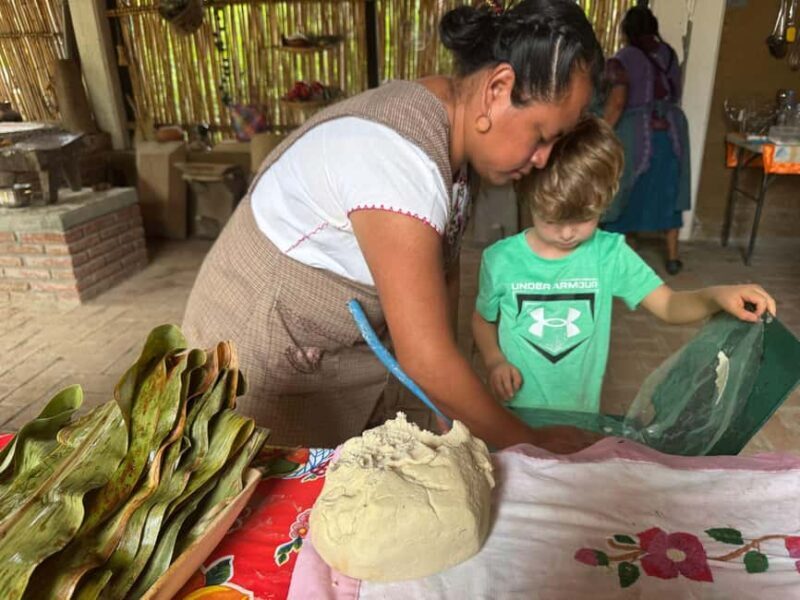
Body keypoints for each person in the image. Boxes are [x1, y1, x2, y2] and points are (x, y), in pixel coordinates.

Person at [182, 0, 607, 451]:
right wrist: (527, 443)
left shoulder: (450, 134)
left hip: (317, 346)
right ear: (498, 88)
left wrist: (447, 409)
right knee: (270, 490)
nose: (542, 158)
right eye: (541, 136)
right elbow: (425, 356)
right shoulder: (398, 156)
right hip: (257, 350)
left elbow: (442, 284)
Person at [471, 117, 776, 414]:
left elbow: (668, 305)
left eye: (583, 219)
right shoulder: (500, 260)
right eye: (552, 220)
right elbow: (483, 320)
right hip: (515, 414)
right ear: (526, 195)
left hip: (581, 414)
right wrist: (495, 360)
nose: (567, 233)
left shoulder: (609, 254)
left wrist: (715, 296)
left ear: (604, 201)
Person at [602, 6, 690, 275]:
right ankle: (673, 257)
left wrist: (600, 132)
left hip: (637, 135)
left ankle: (622, 252)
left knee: (625, 190)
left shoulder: (622, 59)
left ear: (626, 31)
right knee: (668, 192)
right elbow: (674, 91)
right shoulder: (669, 54)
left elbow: (617, 103)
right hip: (672, 132)